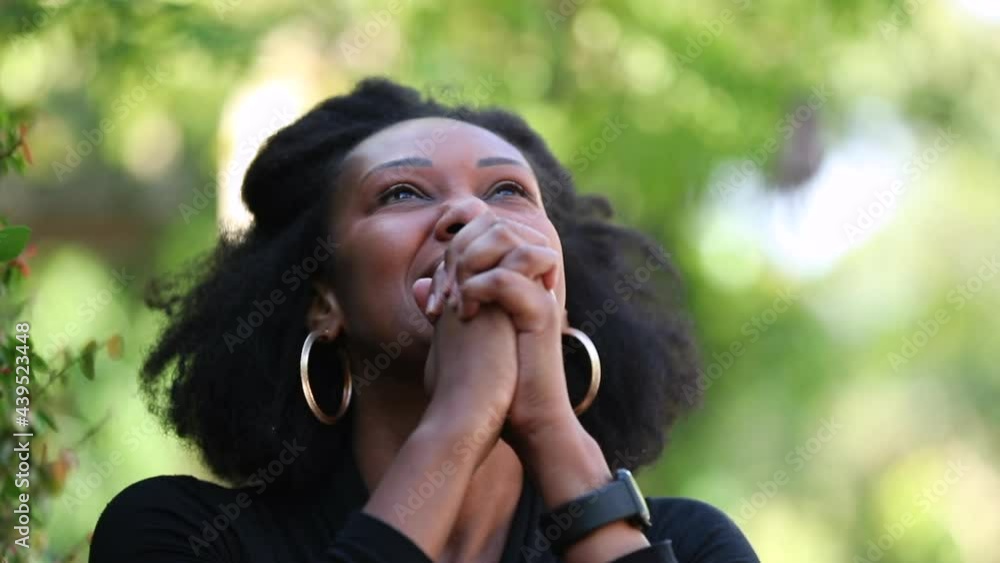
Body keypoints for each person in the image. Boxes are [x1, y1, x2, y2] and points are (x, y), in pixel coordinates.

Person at [89, 77, 759, 562]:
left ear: (560, 290)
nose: (471, 216)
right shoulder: (180, 532)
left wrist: (552, 426)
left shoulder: (689, 544)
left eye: (506, 191)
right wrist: (461, 419)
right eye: (402, 192)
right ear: (324, 301)